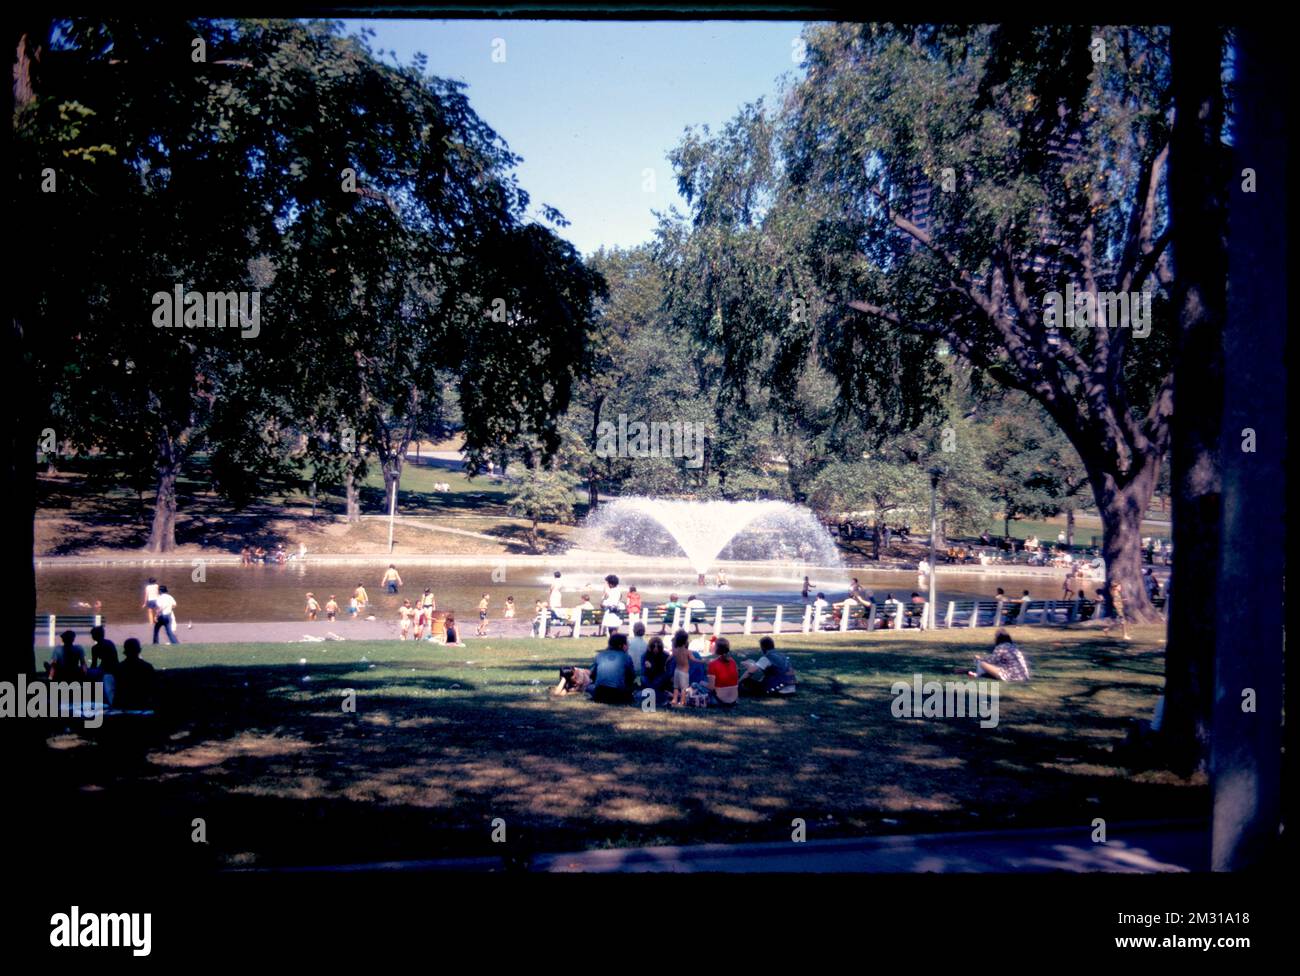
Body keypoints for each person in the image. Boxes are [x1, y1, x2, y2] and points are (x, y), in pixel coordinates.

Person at [588, 632, 637, 705]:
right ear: (622, 645)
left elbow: (592, 674)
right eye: (626, 644)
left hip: (599, 694)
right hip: (618, 694)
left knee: (589, 687)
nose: (628, 646)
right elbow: (632, 676)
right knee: (634, 687)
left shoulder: (600, 655)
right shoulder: (626, 657)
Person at [113, 638, 156, 711]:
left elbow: (118, 690)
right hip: (143, 704)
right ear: (139, 650)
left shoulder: (119, 668)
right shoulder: (147, 667)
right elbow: (152, 689)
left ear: (125, 651)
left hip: (125, 704)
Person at [707, 637, 739, 707]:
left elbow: (711, 687)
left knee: (696, 684)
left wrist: (702, 683)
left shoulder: (712, 664)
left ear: (717, 649)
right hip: (734, 699)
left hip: (720, 700)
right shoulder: (733, 661)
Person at [640, 636, 672, 705]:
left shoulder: (665, 655)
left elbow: (666, 672)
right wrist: (649, 668)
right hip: (648, 677)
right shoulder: (645, 655)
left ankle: (650, 694)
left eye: (658, 646)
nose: (656, 648)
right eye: (653, 646)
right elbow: (644, 672)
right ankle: (658, 695)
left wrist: (652, 667)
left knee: (659, 679)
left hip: (659, 676)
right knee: (643, 678)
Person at [670, 629, 692, 707]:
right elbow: (693, 659)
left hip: (677, 671)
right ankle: (682, 702)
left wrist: (673, 642)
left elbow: (670, 657)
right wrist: (702, 661)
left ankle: (674, 700)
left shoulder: (675, 651)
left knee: (676, 687)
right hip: (684, 672)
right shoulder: (687, 652)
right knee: (684, 688)